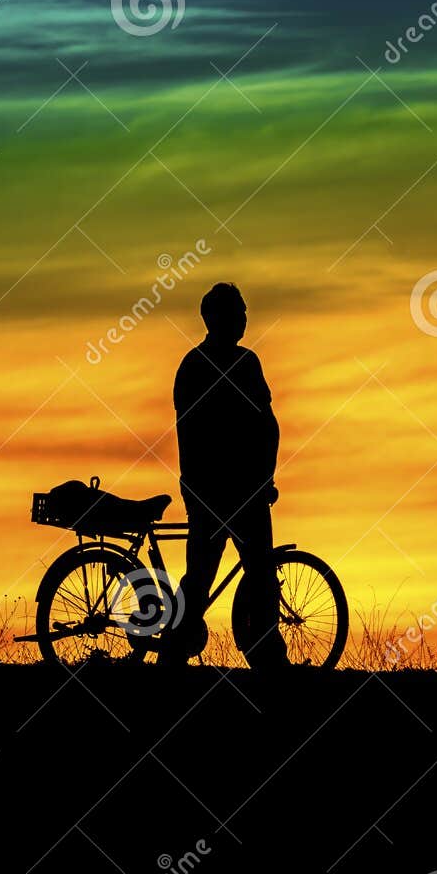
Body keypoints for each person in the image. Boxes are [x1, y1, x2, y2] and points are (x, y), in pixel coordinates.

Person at [161, 283, 289, 670]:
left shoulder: (195, 364)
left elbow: (260, 426)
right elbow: (264, 425)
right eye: (239, 312)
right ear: (217, 319)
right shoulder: (238, 364)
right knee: (259, 573)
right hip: (231, 490)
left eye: (244, 312)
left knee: (203, 575)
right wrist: (263, 476)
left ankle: (174, 651)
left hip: (214, 488)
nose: (244, 320)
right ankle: (268, 657)